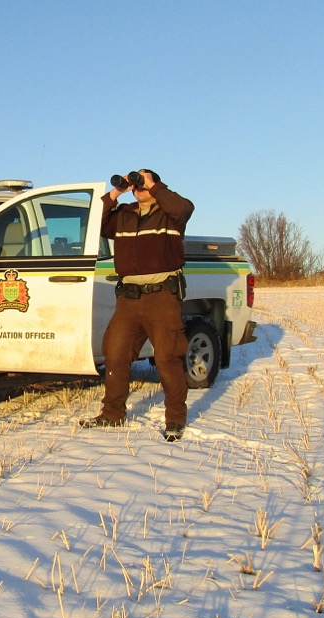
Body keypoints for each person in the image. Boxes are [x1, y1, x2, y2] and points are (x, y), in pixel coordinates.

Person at [81, 169, 195, 441]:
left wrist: (154, 187)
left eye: (143, 181)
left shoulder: (170, 214)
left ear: (156, 183)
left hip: (162, 298)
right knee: (116, 354)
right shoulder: (124, 215)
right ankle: (112, 414)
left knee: (168, 358)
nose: (138, 186)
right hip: (129, 299)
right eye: (136, 183)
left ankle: (175, 420)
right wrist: (117, 192)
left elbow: (185, 208)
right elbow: (95, 221)